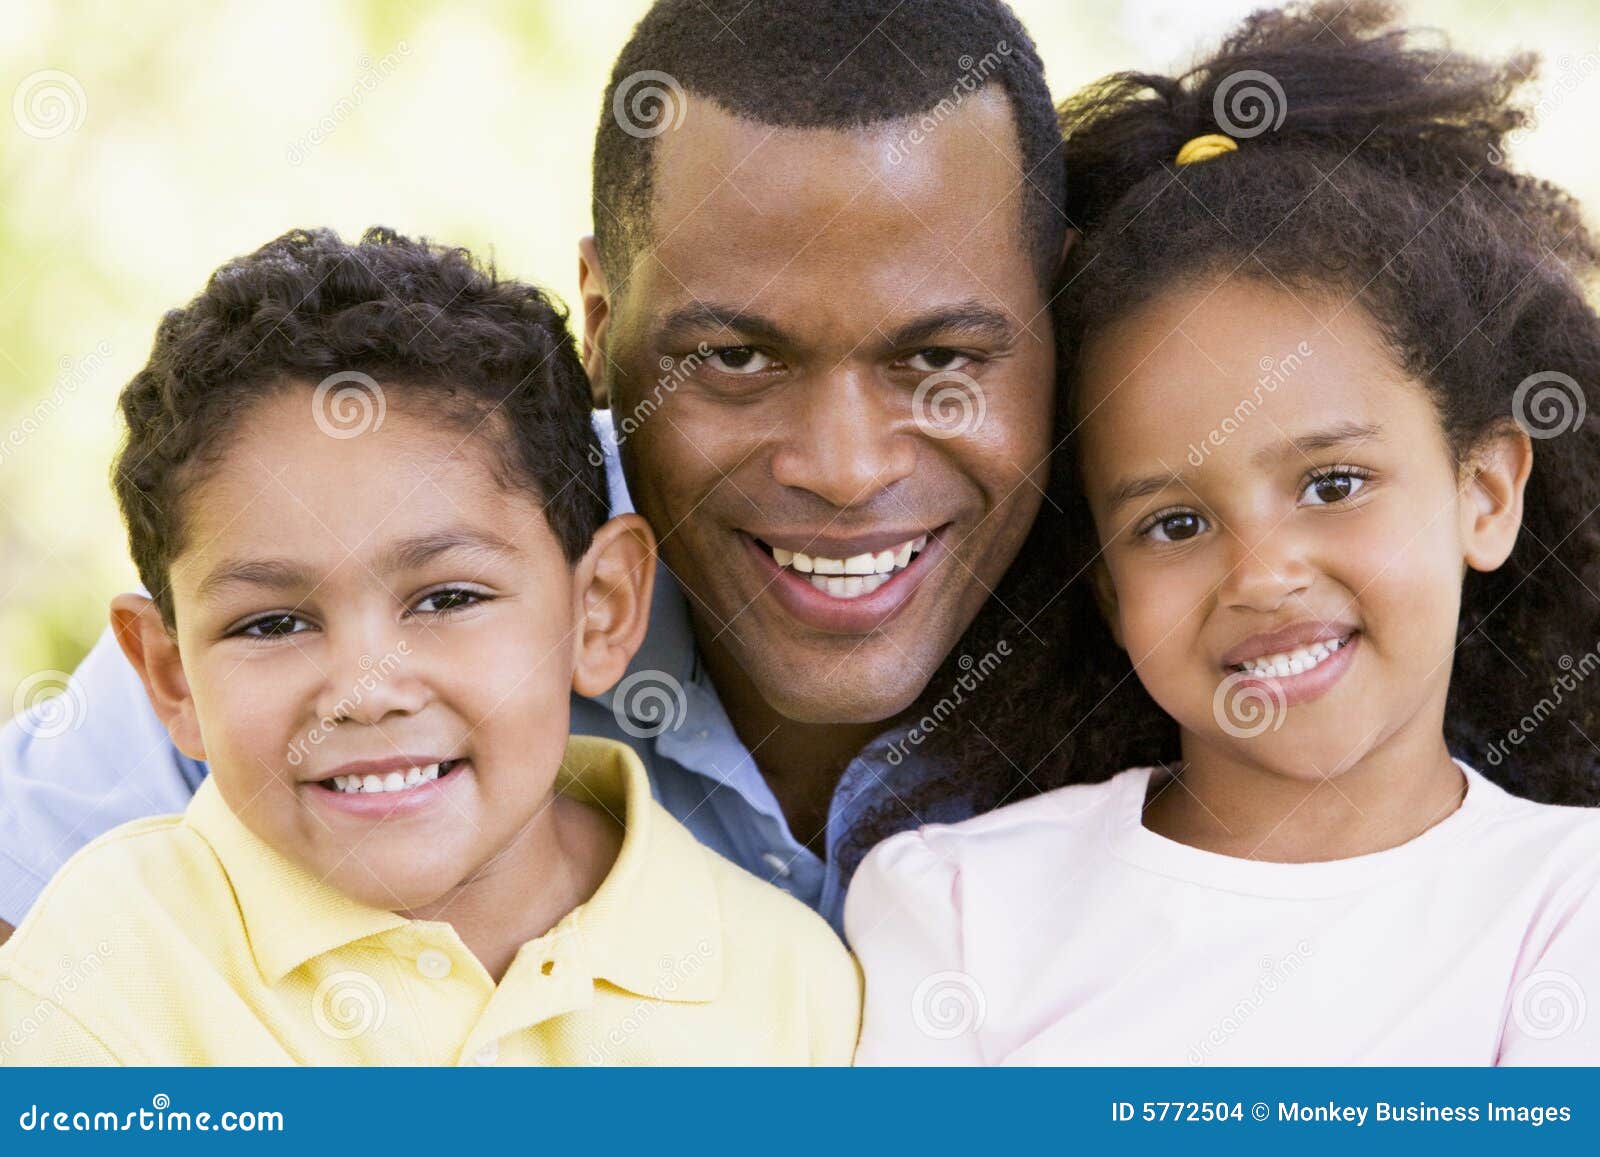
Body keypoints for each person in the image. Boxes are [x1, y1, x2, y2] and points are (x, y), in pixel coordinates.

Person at [0, 0, 1070, 946]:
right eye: (734, 359)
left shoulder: (1152, 604)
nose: (843, 469)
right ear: (600, 325)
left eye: (942, 358)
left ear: (1065, 313)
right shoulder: (365, 568)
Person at [846, 0, 1600, 1065]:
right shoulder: (956, 905)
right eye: (1174, 522)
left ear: (1483, 492)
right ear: (1105, 586)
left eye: (1333, 482)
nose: (1262, 572)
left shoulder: (1568, 902)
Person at [0, 228, 860, 1064]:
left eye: (448, 598)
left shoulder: (790, 991)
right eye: (272, 623)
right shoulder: (93, 981)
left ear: (598, 609)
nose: (366, 690)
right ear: (170, 675)